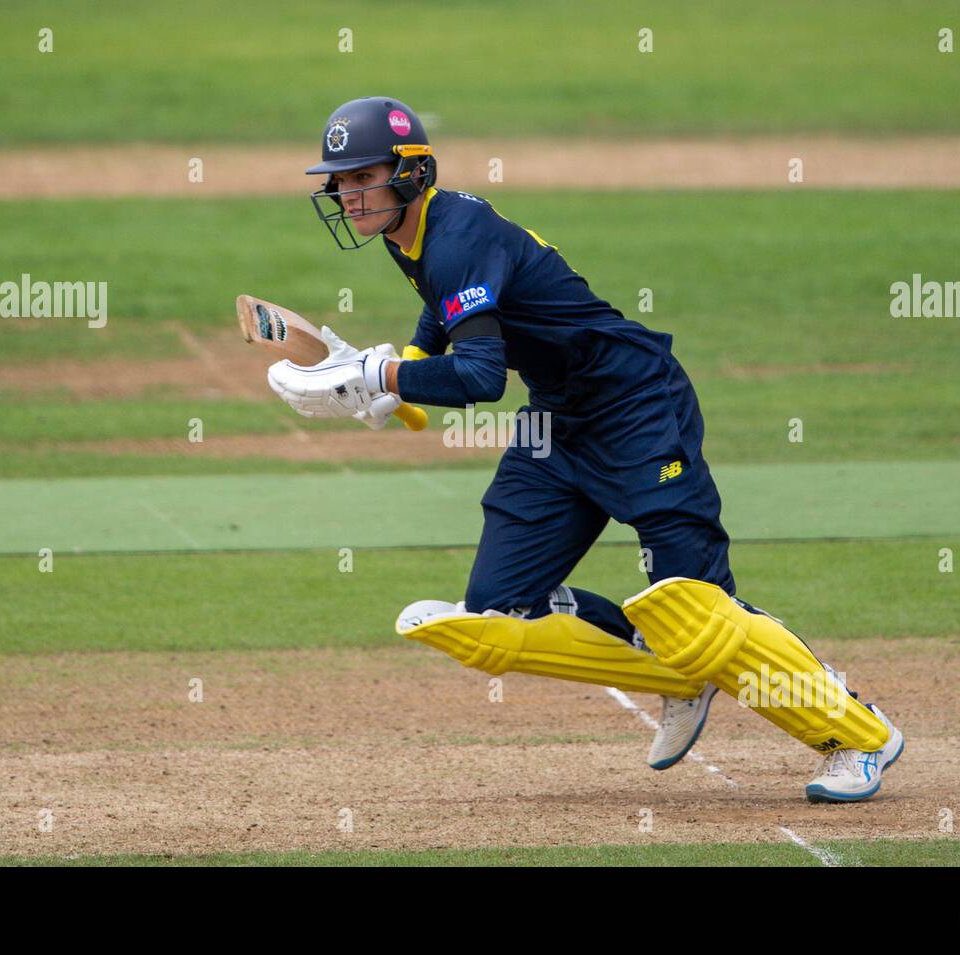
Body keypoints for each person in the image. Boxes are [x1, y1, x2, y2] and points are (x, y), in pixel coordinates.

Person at [267, 97, 903, 802]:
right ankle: (671, 671)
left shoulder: (456, 235)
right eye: (339, 181)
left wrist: (377, 375)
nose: (346, 195)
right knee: (499, 607)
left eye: (361, 178)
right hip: (559, 422)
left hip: (636, 406)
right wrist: (410, 367)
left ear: (411, 173)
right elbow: (443, 304)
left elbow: (480, 377)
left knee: (697, 608)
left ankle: (856, 732)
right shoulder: (410, 231)